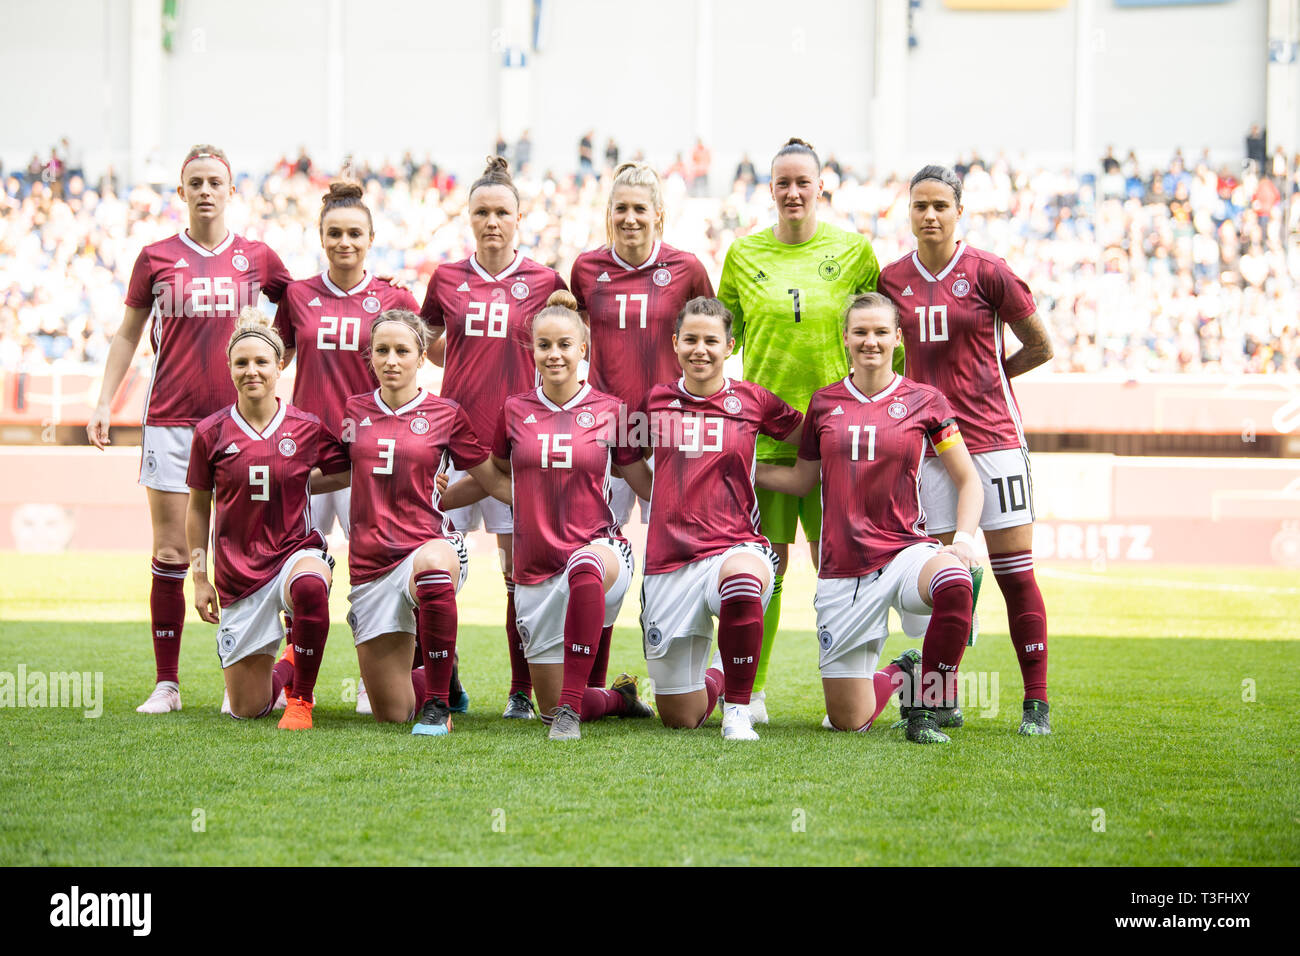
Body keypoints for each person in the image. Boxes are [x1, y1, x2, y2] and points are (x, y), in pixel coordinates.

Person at [86, 145, 291, 714]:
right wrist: (104, 400)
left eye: (215, 182)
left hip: (244, 427)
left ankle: (254, 677)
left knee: (251, 549)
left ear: (231, 191)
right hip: (171, 423)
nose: (205, 190)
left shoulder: (259, 258)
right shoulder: (155, 257)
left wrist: (279, 366)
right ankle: (168, 684)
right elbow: (128, 334)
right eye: (195, 182)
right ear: (182, 193)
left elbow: (302, 309)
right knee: (174, 550)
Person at [878, 164, 1055, 735]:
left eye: (940, 206)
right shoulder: (892, 280)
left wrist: (991, 378)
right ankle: (941, 695)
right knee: (943, 582)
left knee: (1013, 574)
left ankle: (1037, 703)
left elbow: (1041, 345)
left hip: (993, 443)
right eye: (920, 206)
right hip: (928, 453)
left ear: (959, 213)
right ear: (910, 212)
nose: (929, 215)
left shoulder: (988, 272)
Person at [756, 294, 981, 743]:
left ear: (897, 339)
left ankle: (928, 708)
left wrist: (963, 539)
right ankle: (904, 671)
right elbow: (803, 481)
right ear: (845, 338)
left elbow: (969, 480)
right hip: (841, 570)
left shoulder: (926, 400)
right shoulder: (823, 403)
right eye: (860, 332)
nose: (870, 341)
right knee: (848, 720)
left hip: (904, 553)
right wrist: (741, 464)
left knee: (956, 579)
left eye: (880, 332)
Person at [716, 137, 879, 723]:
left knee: (841, 567)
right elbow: (719, 338)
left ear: (820, 186)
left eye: (801, 182)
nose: (792, 192)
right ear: (770, 189)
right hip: (766, 439)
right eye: (782, 182)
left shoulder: (855, 251)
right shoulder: (742, 255)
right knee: (768, 569)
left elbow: (883, 336)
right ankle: (751, 692)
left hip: (838, 438)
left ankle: (852, 681)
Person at [445, 291, 654, 740]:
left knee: (585, 565)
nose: (554, 354)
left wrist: (692, 500)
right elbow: (495, 476)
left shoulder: (611, 410)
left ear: (583, 348)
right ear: (532, 350)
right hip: (536, 566)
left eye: (564, 344)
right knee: (549, 704)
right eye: (544, 345)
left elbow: (642, 480)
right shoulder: (514, 410)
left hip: (600, 551)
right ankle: (619, 698)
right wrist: (436, 499)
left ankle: (571, 714)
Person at [312, 309, 510, 735]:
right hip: (371, 565)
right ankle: (445, 677)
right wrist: (277, 479)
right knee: (392, 712)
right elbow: (340, 471)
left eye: (402, 351)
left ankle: (438, 706)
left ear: (421, 357)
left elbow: (488, 477)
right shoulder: (354, 410)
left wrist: (542, 497)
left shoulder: (447, 413)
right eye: (382, 351)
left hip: (429, 545)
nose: (391, 360)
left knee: (435, 571)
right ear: (370, 357)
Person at [420, 156, 568, 721]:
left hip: (516, 451)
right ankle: (444, 678)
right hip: (453, 446)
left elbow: (566, 348)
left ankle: (520, 692)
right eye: (481, 212)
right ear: (469, 218)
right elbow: (423, 342)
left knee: (518, 574)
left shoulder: (544, 281)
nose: (491, 222)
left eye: (501, 212)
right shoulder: (446, 279)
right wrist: (459, 365)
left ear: (519, 218)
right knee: (436, 566)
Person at [274, 182, 427, 716]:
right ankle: (293, 681)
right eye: (334, 233)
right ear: (320, 236)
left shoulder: (396, 298)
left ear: (371, 238)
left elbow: (425, 360)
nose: (344, 242)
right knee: (295, 568)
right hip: (309, 458)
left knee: (384, 566)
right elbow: (268, 359)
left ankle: (380, 677)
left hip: (373, 459)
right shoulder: (296, 295)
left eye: (354, 233)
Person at [619, 297, 803, 742]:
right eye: (691, 340)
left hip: (735, 546)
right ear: (675, 343)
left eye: (711, 341)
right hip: (670, 560)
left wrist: (762, 472)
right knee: (680, 717)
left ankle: (737, 709)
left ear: (730, 346)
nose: (701, 349)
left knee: (742, 581)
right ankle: (721, 673)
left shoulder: (753, 400)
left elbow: (811, 437)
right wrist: (659, 492)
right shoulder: (655, 401)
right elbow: (626, 455)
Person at [186, 309, 346, 729]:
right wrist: (200, 578)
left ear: (280, 365)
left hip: (295, 553)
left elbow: (350, 470)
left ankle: (302, 702)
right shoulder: (210, 432)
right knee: (247, 708)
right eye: (241, 363)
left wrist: (301, 484)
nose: (251, 370)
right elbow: (198, 506)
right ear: (230, 369)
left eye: (261, 362)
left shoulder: (306, 426)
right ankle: (289, 663)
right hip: (239, 574)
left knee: (311, 585)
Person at [570, 161, 714, 531]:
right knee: (596, 545)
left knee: (670, 550)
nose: (629, 218)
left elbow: (709, 347)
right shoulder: (586, 268)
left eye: (639, 209)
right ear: (609, 213)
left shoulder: (687, 268)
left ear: (658, 214)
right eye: (621, 208)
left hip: (668, 427)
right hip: (605, 429)